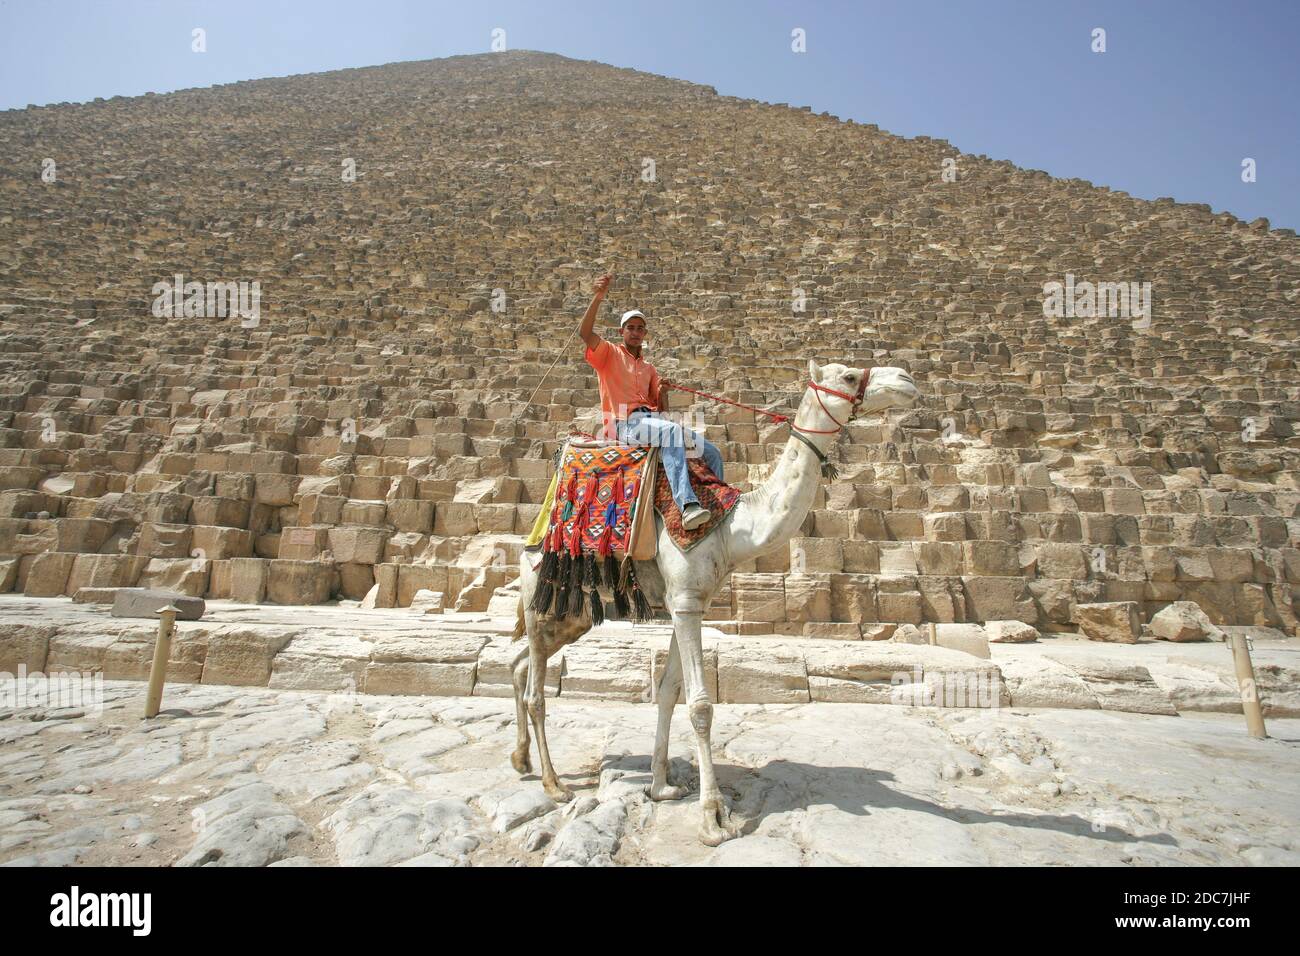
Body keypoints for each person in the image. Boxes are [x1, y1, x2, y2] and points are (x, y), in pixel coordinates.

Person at [578, 273, 723, 531]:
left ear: (645, 333)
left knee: (712, 453)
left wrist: (663, 392)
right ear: (621, 331)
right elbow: (585, 332)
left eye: (640, 328)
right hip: (623, 424)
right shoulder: (609, 354)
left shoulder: (649, 368)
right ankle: (687, 505)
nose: (635, 332)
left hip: (652, 422)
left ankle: (716, 507)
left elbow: (662, 413)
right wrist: (597, 298)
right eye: (630, 328)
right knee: (670, 431)